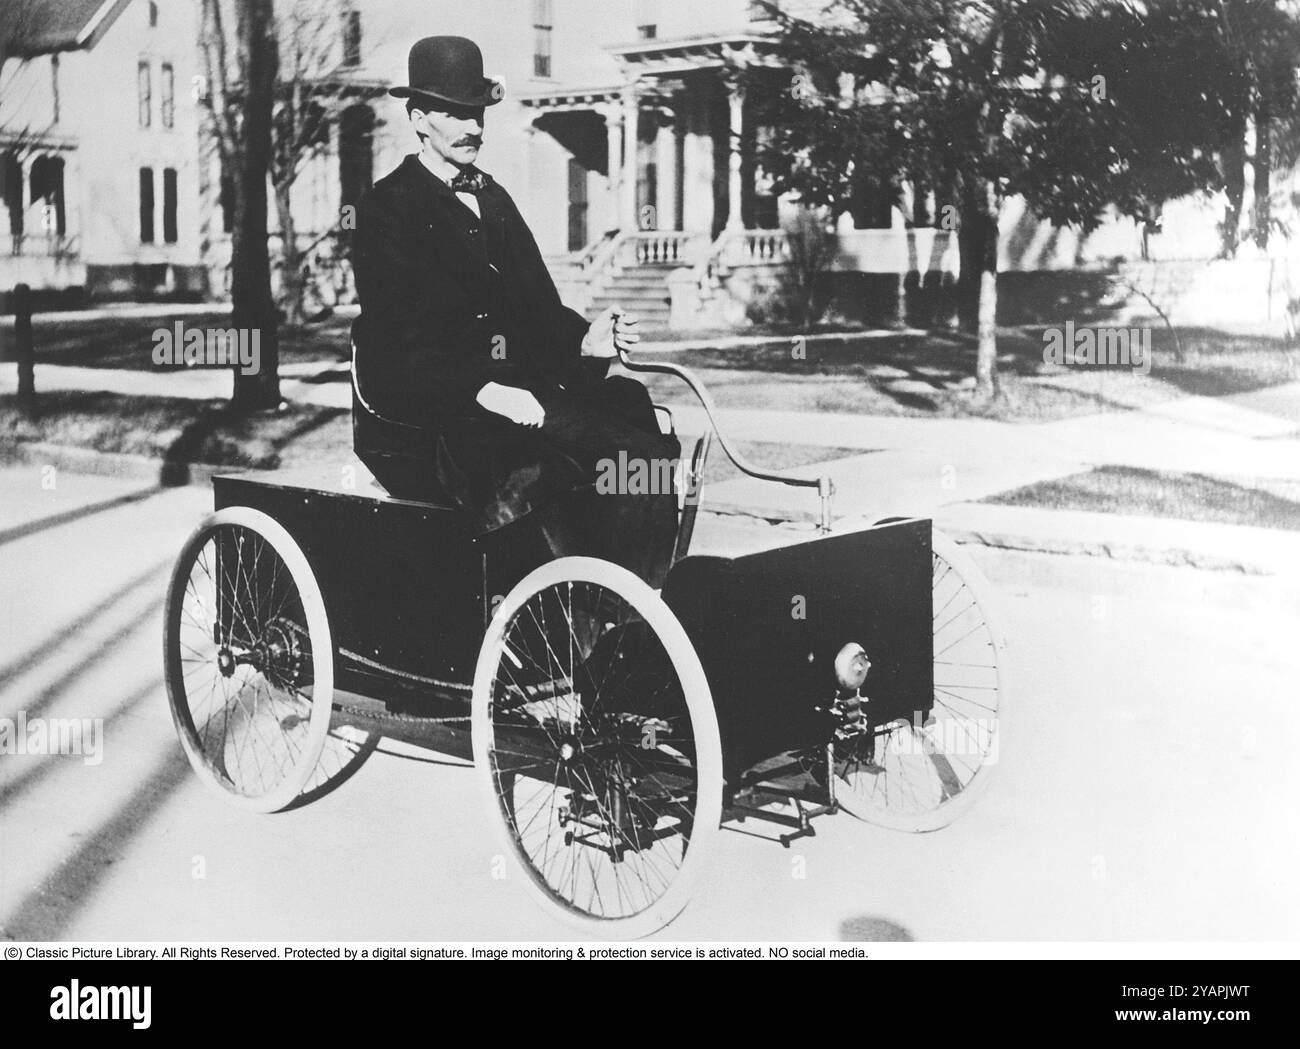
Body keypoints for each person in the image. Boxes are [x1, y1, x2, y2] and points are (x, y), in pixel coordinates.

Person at [351, 36, 680, 588]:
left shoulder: (493, 198)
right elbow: (396, 338)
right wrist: (481, 390)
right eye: (456, 113)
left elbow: (537, 308)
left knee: (632, 402)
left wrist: (585, 342)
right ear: (419, 119)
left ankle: (622, 593)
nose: (473, 128)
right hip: (438, 416)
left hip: (515, 394)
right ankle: (614, 610)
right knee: (632, 453)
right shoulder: (386, 210)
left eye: (477, 113)